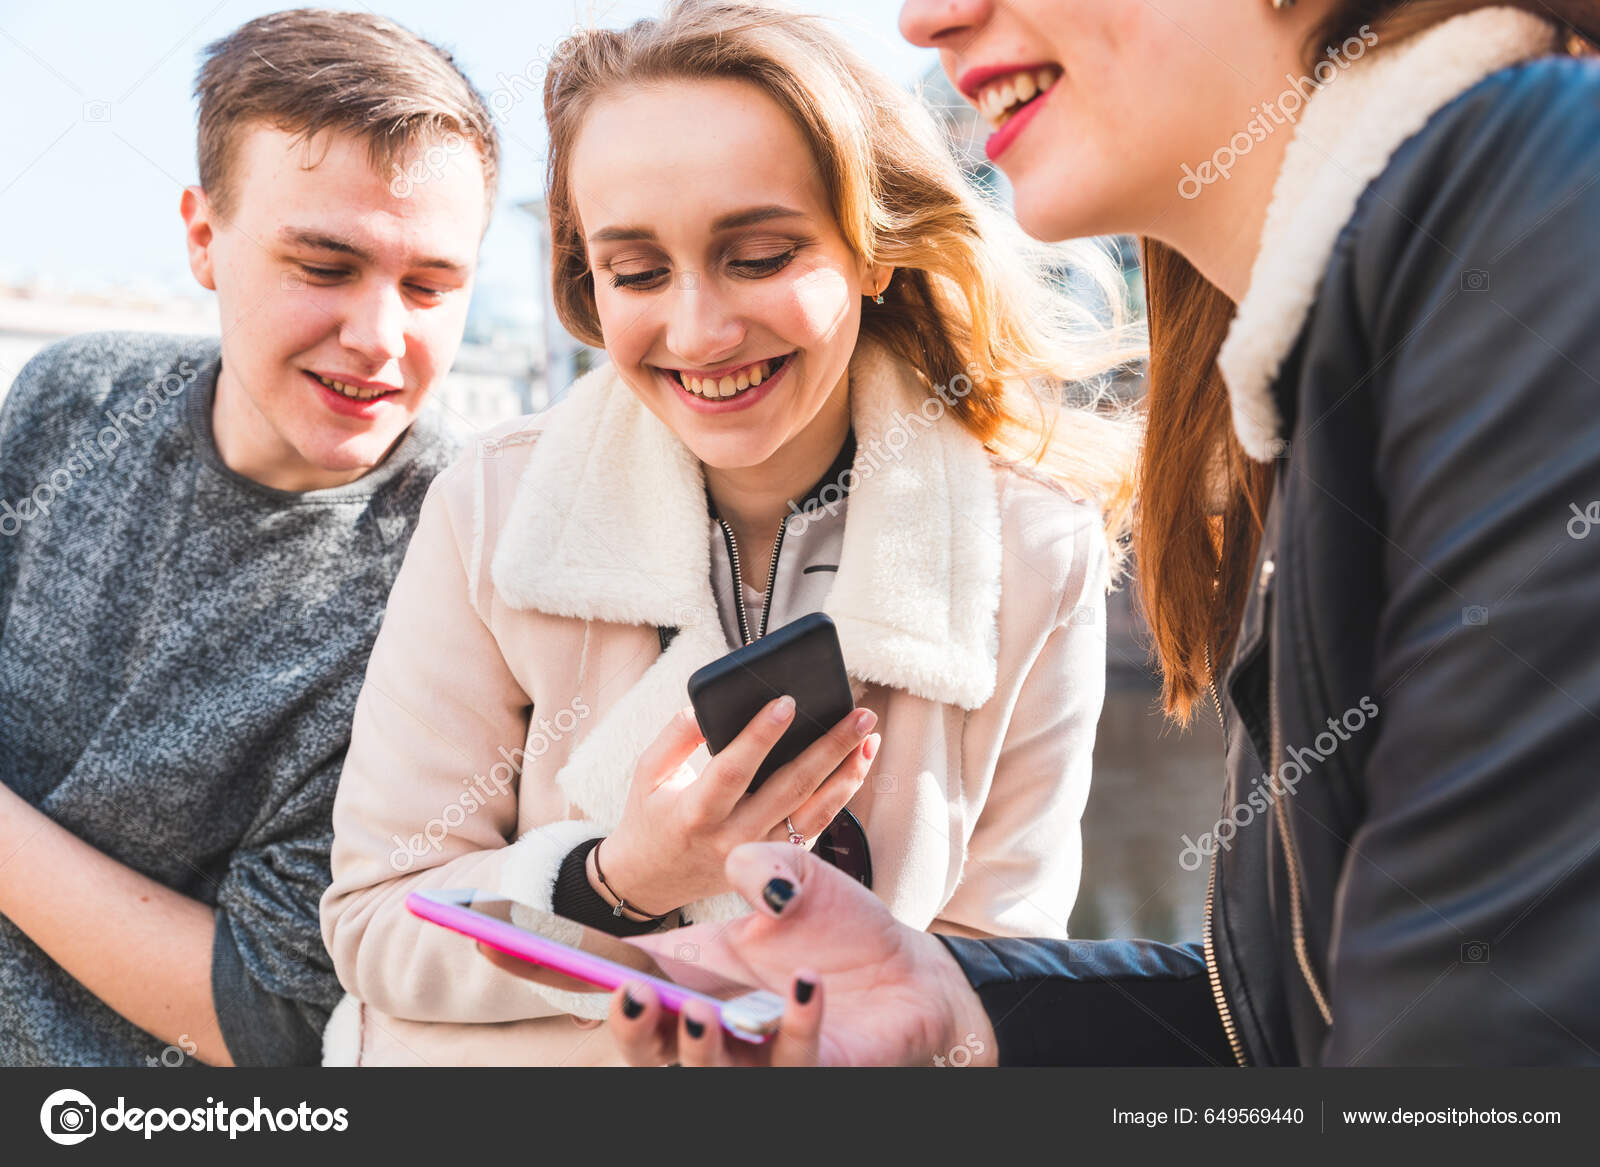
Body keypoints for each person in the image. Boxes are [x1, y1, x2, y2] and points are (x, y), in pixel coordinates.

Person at [599, 0, 1600, 1066]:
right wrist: (960, 998)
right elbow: (1305, 1022)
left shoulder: (1530, 197)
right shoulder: (1383, 303)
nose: (927, 18)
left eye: (759, 254)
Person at [318, 0, 1139, 1066]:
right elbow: (376, 921)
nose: (700, 332)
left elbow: (996, 983)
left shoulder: (1031, 548)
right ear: (588, 282)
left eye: (758, 255)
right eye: (637, 273)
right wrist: (620, 878)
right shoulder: (493, 507)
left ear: (874, 249)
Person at [0, 9, 496, 1066]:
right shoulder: (67, 398)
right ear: (202, 238)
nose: (379, 338)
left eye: (429, 286)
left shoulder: (465, 572)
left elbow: (274, 1016)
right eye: (324, 265)